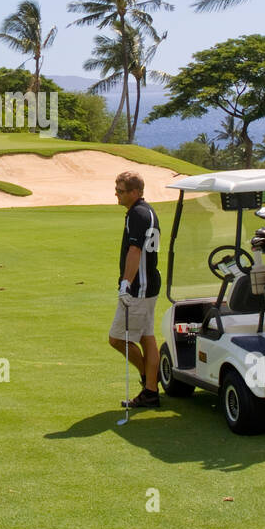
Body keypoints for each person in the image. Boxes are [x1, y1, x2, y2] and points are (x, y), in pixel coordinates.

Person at [109, 172, 162, 408]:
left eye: (120, 191)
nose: (116, 194)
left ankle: (149, 382)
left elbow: (135, 251)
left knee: (117, 339)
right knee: (146, 336)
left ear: (135, 192)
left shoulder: (137, 215)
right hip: (150, 283)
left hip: (139, 287)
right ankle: (151, 387)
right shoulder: (147, 211)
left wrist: (125, 284)